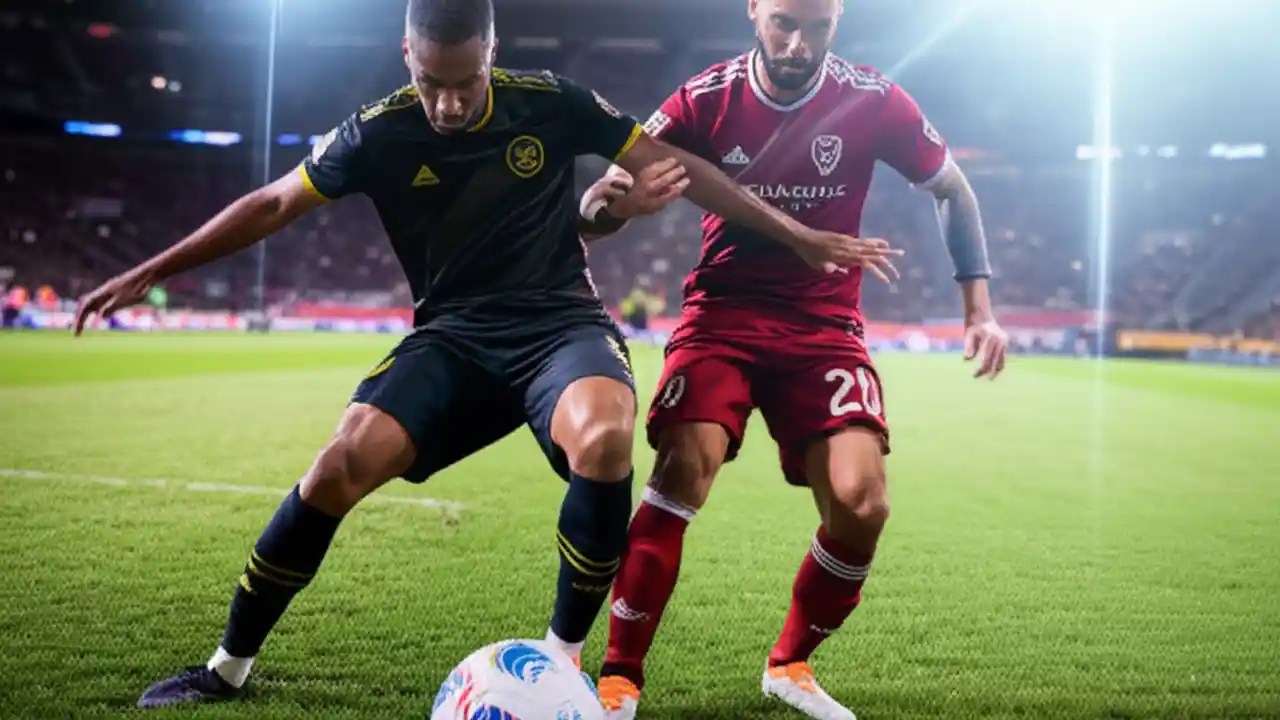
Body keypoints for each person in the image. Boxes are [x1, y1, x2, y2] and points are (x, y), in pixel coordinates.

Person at [72, 0, 896, 708]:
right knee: (336, 466)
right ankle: (227, 667)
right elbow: (271, 203)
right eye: (433, 82)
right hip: (454, 337)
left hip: (560, 329)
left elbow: (675, 164)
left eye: (466, 82)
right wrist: (149, 271)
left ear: (491, 56)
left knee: (607, 438)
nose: (450, 101)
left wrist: (794, 234)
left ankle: (563, 665)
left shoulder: (554, 103)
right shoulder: (378, 132)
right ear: (409, 56)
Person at [579, 0, 1009, 717]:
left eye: (816, 27)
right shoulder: (704, 101)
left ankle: (790, 664)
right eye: (782, 21)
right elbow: (598, 203)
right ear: (753, 10)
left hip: (825, 326)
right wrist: (619, 205)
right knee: (685, 466)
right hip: (724, 314)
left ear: (837, 20)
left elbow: (951, 190)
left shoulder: (873, 100)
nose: (797, 43)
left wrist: (979, 309)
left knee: (862, 504)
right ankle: (620, 677)